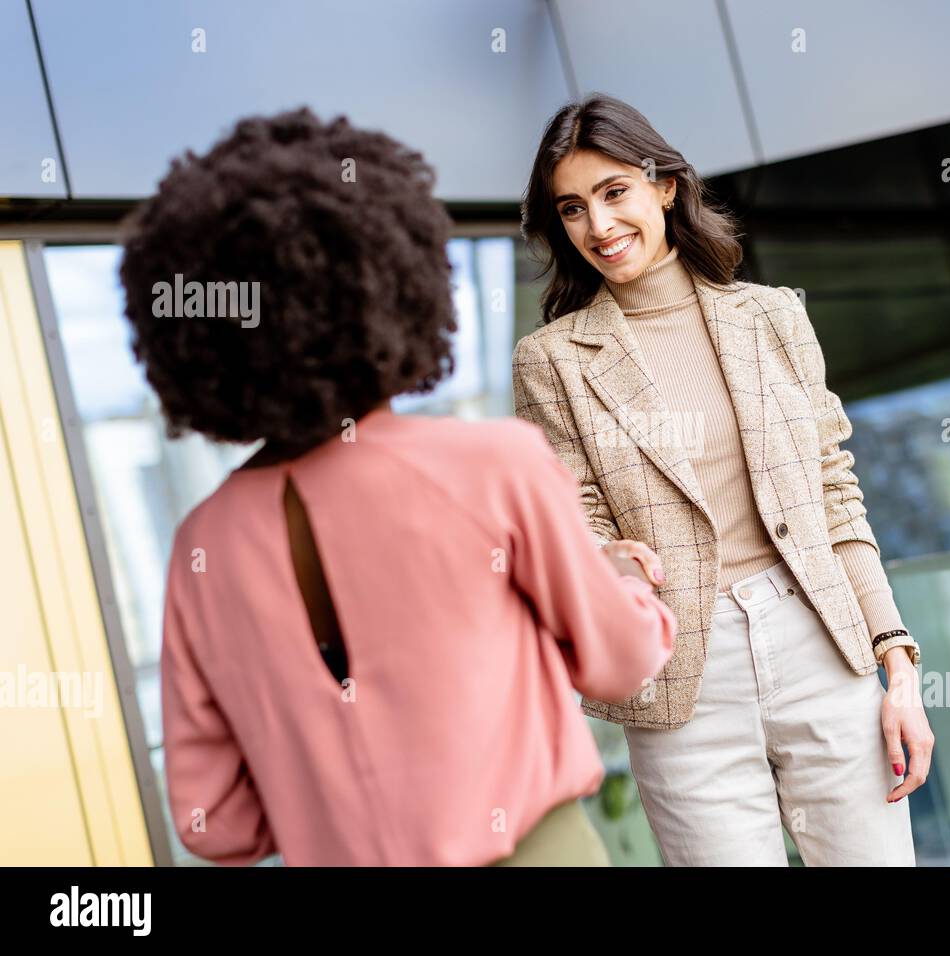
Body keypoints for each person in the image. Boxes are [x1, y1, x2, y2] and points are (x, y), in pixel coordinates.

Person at [121, 107, 676, 866]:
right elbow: (621, 660)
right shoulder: (492, 465)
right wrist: (626, 579)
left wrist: (320, 787)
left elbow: (211, 820)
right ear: (392, 278)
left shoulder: (203, 546)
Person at [512, 94, 932, 866]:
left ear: (664, 186)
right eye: (572, 209)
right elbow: (572, 516)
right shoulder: (553, 361)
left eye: (614, 194)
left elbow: (835, 495)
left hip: (819, 646)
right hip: (679, 678)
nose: (599, 227)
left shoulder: (771, 317)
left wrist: (896, 662)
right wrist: (606, 560)